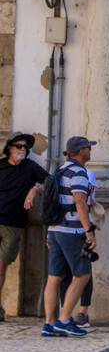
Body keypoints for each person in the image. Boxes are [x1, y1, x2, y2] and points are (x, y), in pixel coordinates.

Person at [42, 136, 97, 338]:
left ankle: (48, 323)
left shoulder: (60, 170)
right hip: (71, 231)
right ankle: (64, 319)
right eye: (87, 148)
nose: (90, 151)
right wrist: (88, 230)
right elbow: (80, 202)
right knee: (82, 274)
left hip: (54, 229)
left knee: (54, 276)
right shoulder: (79, 172)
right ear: (80, 150)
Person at [0, 132, 47, 323]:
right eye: (19, 146)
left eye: (25, 147)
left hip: (14, 223)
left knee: (1, 266)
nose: (22, 149)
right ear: (9, 148)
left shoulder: (30, 167)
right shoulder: (0, 166)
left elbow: (49, 181)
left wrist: (33, 189)